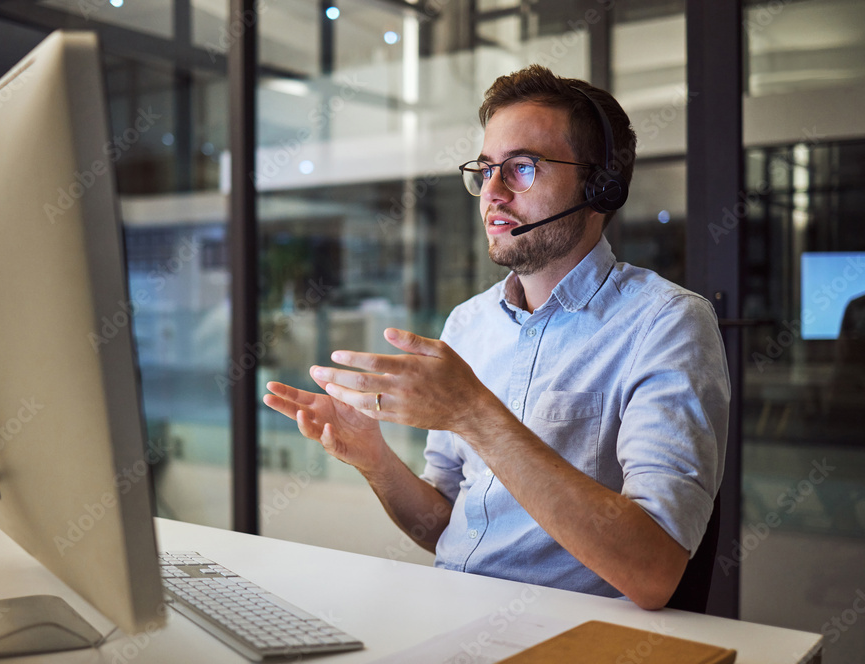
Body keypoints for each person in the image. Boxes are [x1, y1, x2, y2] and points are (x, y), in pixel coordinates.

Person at [264, 65, 730, 610]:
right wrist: (374, 459)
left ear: (600, 188)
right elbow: (446, 531)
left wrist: (475, 414)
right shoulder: (467, 324)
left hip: (568, 638)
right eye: (485, 171)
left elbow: (654, 570)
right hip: (455, 612)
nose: (493, 192)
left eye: (522, 168)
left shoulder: (668, 323)